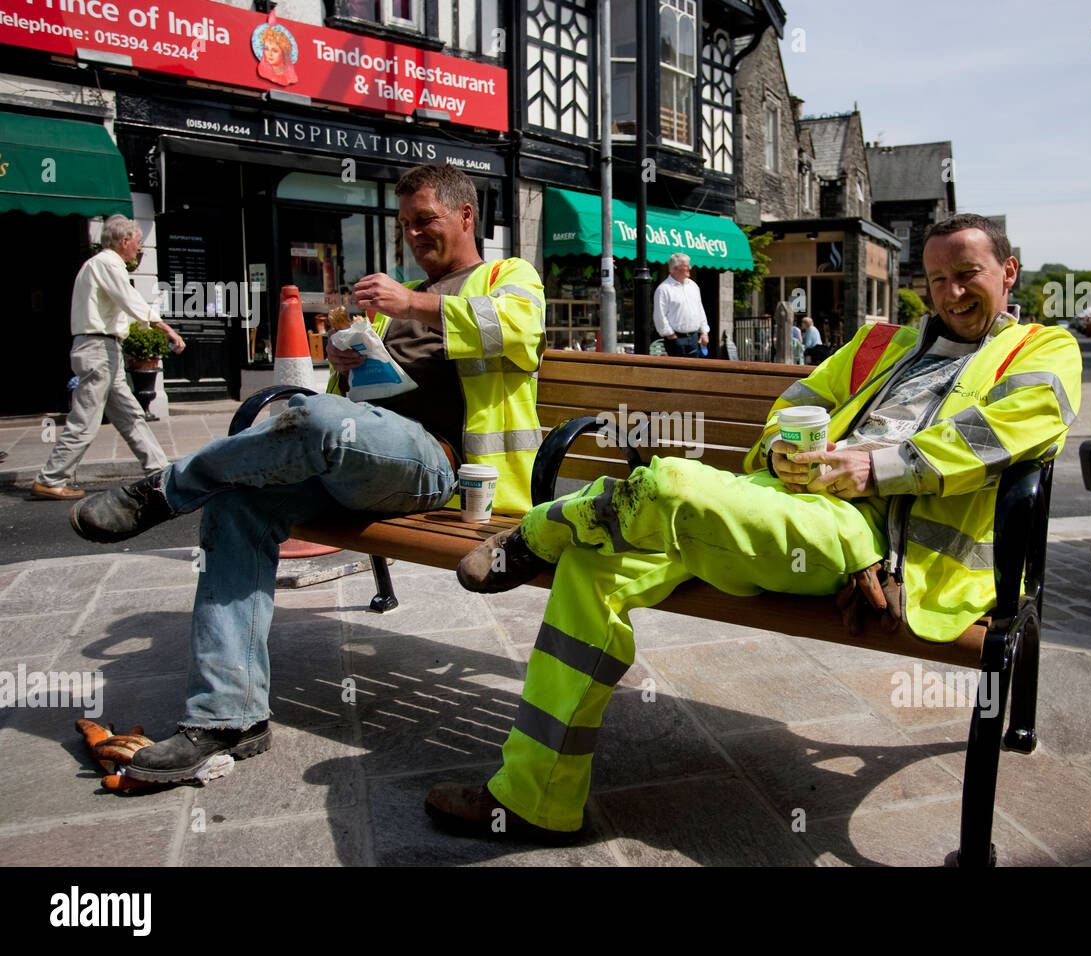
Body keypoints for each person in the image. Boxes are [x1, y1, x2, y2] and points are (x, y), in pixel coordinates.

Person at [429, 213, 1082, 840]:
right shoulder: (883, 341)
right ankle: (534, 799)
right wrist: (778, 451)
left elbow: (1004, 429)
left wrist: (874, 467)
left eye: (968, 274)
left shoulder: (1043, 349)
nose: (952, 293)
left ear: (1009, 273)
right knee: (593, 568)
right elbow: (797, 404)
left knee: (669, 483)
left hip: (873, 549)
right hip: (778, 506)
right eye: (938, 280)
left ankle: (543, 529)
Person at [68, 163, 546, 782]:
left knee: (314, 417)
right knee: (238, 504)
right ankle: (226, 716)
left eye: (424, 219)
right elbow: (360, 393)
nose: (413, 234)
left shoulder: (507, 276)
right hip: (364, 461)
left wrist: (415, 303)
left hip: (444, 469)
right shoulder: (392, 301)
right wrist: (346, 358)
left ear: (464, 215)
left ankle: (165, 488)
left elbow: (518, 328)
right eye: (404, 224)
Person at [31, 215, 185, 501]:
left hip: (105, 349)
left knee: (130, 415)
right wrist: (165, 327)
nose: (139, 250)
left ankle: (160, 470)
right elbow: (128, 298)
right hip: (98, 349)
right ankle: (50, 479)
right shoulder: (107, 263)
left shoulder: (101, 265)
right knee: (85, 420)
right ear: (124, 241)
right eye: (137, 244)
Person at [653, 253, 710, 358]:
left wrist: (704, 332)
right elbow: (660, 315)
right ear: (675, 268)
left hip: (694, 338)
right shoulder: (664, 289)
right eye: (686, 265)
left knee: (695, 372)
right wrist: (671, 335)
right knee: (679, 372)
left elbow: (700, 310)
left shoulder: (693, 286)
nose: (690, 268)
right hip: (676, 339)